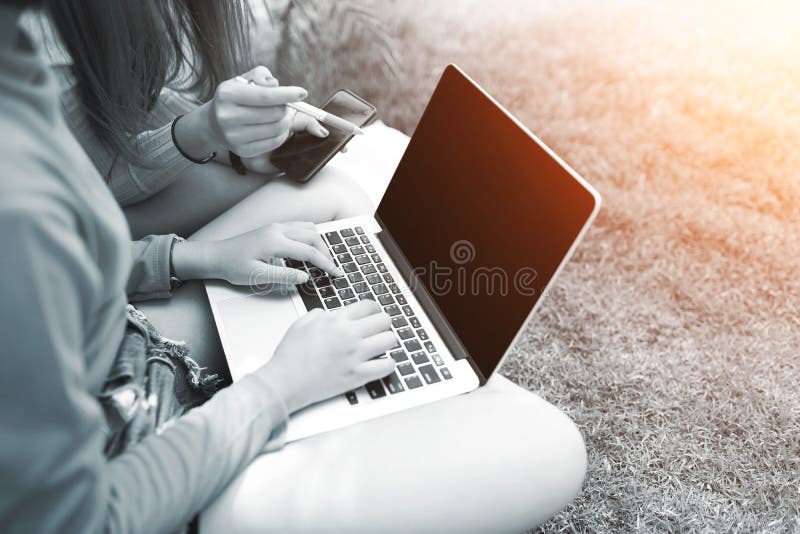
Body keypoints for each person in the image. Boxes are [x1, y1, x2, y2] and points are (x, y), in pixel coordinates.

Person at [0, 2, 587, 533]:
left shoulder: (15, 62)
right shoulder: (19, 195)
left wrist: (191, 254)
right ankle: (407, 392)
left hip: (125, 351)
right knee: (555, 445)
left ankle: (429, 371)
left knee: (343, 200)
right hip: (145, 471)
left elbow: (72, 241)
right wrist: (276, 389)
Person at [23, 1, 371, 238]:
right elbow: (95, 188)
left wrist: (232, 141)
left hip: (106, 200)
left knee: (318, 182)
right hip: (75, 227)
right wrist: (202, 130)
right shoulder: (38, 46)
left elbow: (134, 106)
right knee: (332, 192)